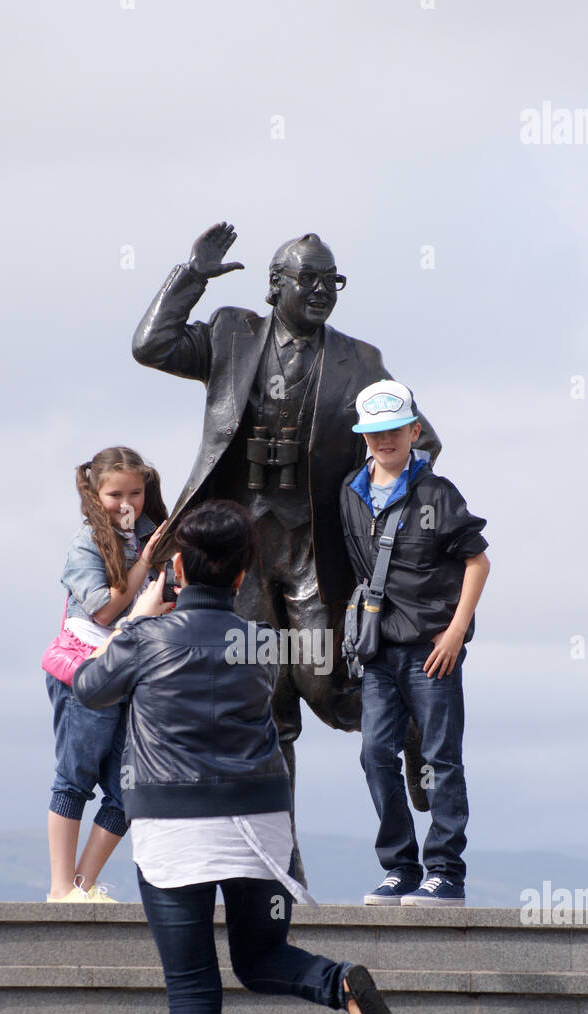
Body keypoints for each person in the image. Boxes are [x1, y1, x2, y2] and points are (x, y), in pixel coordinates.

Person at [72, 500, 399, 1014]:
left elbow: (89, 686)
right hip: (257, 820)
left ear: (179, 566)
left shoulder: (145, 639)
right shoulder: (262, 643)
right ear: (247, 569)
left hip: (173, 825)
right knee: (257, 956)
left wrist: (139, 615)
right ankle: (337, 982)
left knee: (193, 987)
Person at [132, 222, 441, 879]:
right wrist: (188, 277)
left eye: (333, 281)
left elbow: (422, 439)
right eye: (310, 280)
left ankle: (411, 729)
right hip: (240, 551)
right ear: (276, 287)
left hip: (312, 548)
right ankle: (282, 861)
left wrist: (379, 501)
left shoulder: (358, 362)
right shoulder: (231, 335)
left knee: (325, 687)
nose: (324, 291)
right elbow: (150, 344)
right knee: (262, 705)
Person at [339, 382, 491, 906]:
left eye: (395, 429)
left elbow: (478, 561)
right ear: (365, 437)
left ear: (414, 431)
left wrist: (454, 633)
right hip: (379, 653)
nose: (385, 440)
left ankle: (445, 872)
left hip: (432, 650)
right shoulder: (350, 493)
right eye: (375, 432)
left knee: (439, 758)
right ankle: (401, 867)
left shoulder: (438, 493)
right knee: (374, 754)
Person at [45, 446, 168, 902]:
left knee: (125, 791)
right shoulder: (85, 545)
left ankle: (83, 885)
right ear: (95, 494)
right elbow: (104, 610)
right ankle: (61, 889)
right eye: (115, 494)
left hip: (132, 676)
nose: (127, 504)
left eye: (135, 493)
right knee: (74, 777)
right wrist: (143, 565)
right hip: (86, 673)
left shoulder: (153, 534)